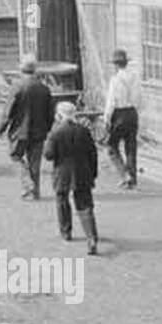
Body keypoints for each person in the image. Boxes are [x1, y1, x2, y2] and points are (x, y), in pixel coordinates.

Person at [43, 101, 100, 254]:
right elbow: (93, 154)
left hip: (62, 173)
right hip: (82, 172)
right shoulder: (84, 131)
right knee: (85, 205)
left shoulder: (56, 132)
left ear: (59, 115)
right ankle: (91, 237)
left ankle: (66, 231)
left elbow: (48, 155)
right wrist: (93, 173)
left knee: (62, 200)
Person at [0, 54, 53, 199]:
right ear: (35, 70)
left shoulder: (17, 87)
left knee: (15, 156)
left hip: (19, 131)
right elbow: (50, 113)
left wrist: (2, 127)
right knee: (35, 163)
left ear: (21, 70)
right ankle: (35, 193)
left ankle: (27, 182)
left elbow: (8, 111)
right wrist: (47, 128)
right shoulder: (44, 88)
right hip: (39, 131)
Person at [104, 48, 141, 188]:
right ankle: (133, 179)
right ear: (126, 63)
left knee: (111, 146)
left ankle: (125, 174)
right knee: (131, 147)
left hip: (119, 114)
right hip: (132, 112)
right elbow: (139, 99)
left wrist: (106, 118)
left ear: (116, 64)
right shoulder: (135, 77)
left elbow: (111, 101)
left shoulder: (115, 80)